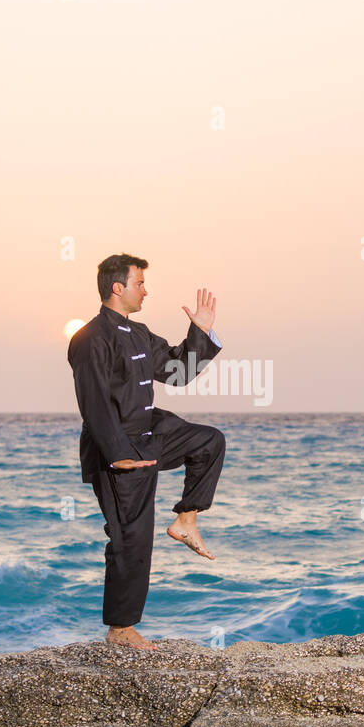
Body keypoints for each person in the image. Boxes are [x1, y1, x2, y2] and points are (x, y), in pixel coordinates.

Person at [67, 253, 226, 650]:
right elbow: (94, 400)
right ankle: (120, 630)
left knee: (209, 441)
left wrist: (200, 333)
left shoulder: (138, 333)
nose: (145, 290)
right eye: (140, 283)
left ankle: (186, 520)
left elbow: (178, 371)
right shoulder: (89, 339)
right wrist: (116, 451)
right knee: (131, 540)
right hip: (118, 448)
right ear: (117, 287)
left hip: (152, 430)